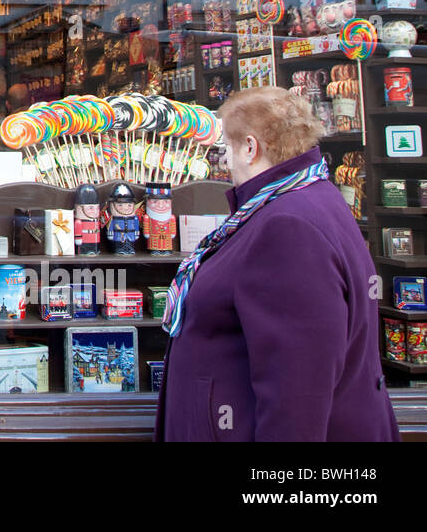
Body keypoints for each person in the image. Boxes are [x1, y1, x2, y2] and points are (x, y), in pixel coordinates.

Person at [155, 87, 398, 441]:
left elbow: (297, 389)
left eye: (226, 149)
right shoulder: (308, 198)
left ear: (251, 147)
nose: (225, 162)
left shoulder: (287, 226)